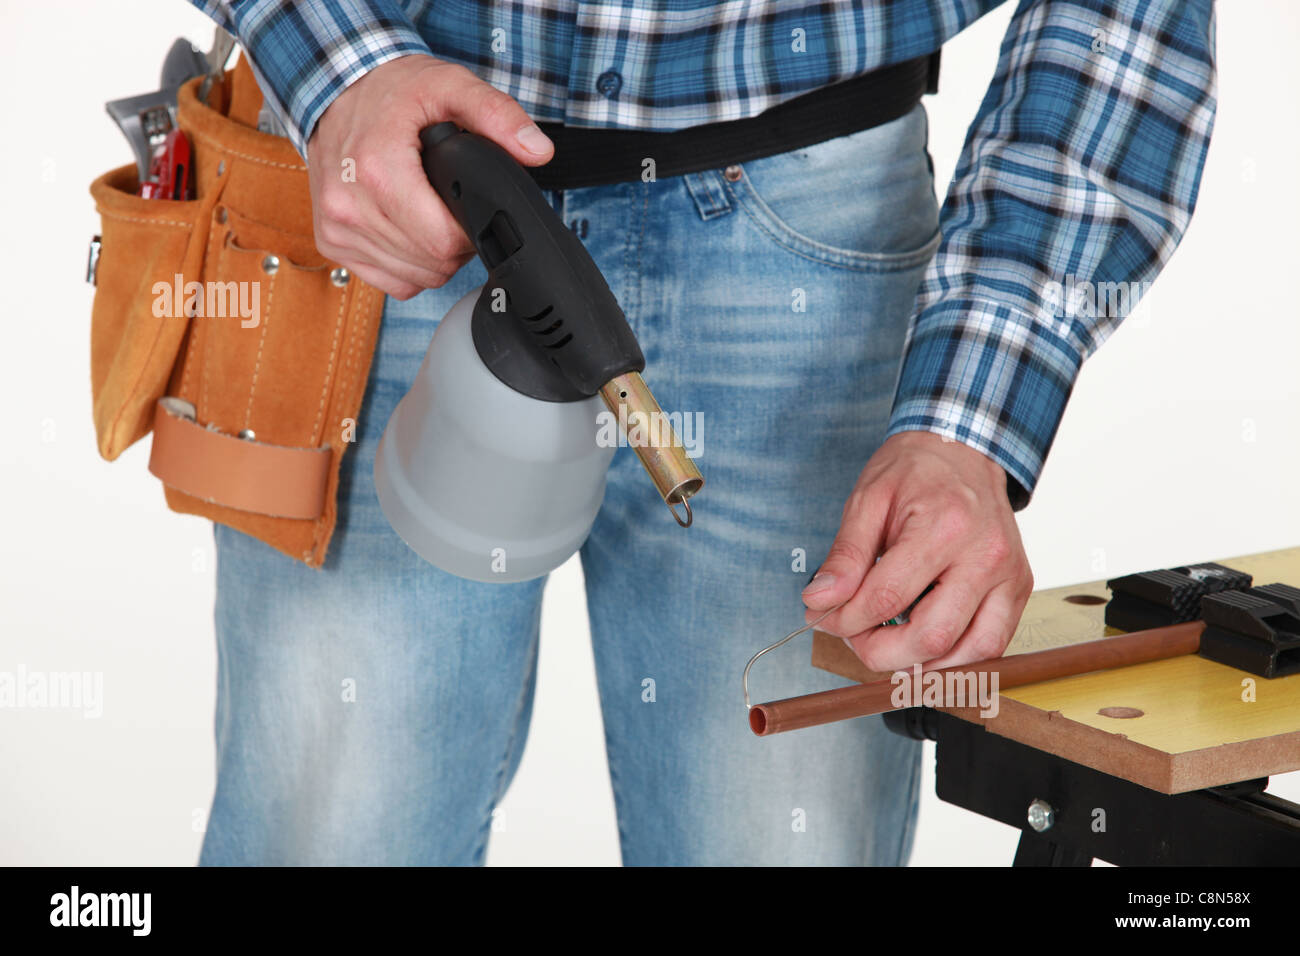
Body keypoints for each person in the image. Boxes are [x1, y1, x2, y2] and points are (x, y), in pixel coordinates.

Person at [188, 0, 1216, 865]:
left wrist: (964, 418)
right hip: (384, 184)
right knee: (326, 831)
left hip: (809, 236)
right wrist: (330, 63)